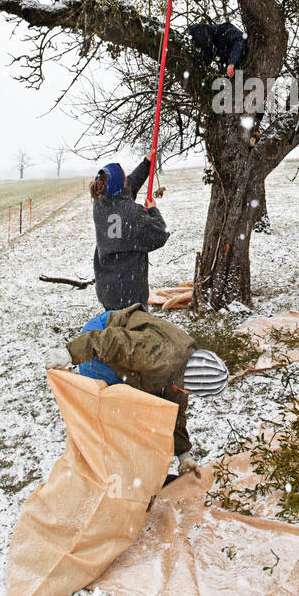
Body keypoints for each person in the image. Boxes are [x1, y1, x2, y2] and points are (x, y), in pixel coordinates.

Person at [62, 304, 200, 476]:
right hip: (102, 336)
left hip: (133, 358)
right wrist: (70, 352)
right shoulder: (159, 354)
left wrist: (183, 455)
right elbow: (113, 340)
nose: (187, 393)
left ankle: (131, 474)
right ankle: (105, 474)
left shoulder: (183, 375)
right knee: (110, 412)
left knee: (149, 408)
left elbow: (175, 412)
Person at [90, 151, 169, 310]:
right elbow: (161, 233)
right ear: (121, 185)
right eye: (125, 177)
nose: (128, 179)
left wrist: (146, 163)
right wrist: (153, 211)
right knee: (133, 330)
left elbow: (129, 185)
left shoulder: (100, 205)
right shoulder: (133, 213)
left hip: (108, 289)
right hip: (131, 292)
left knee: (114, 326)